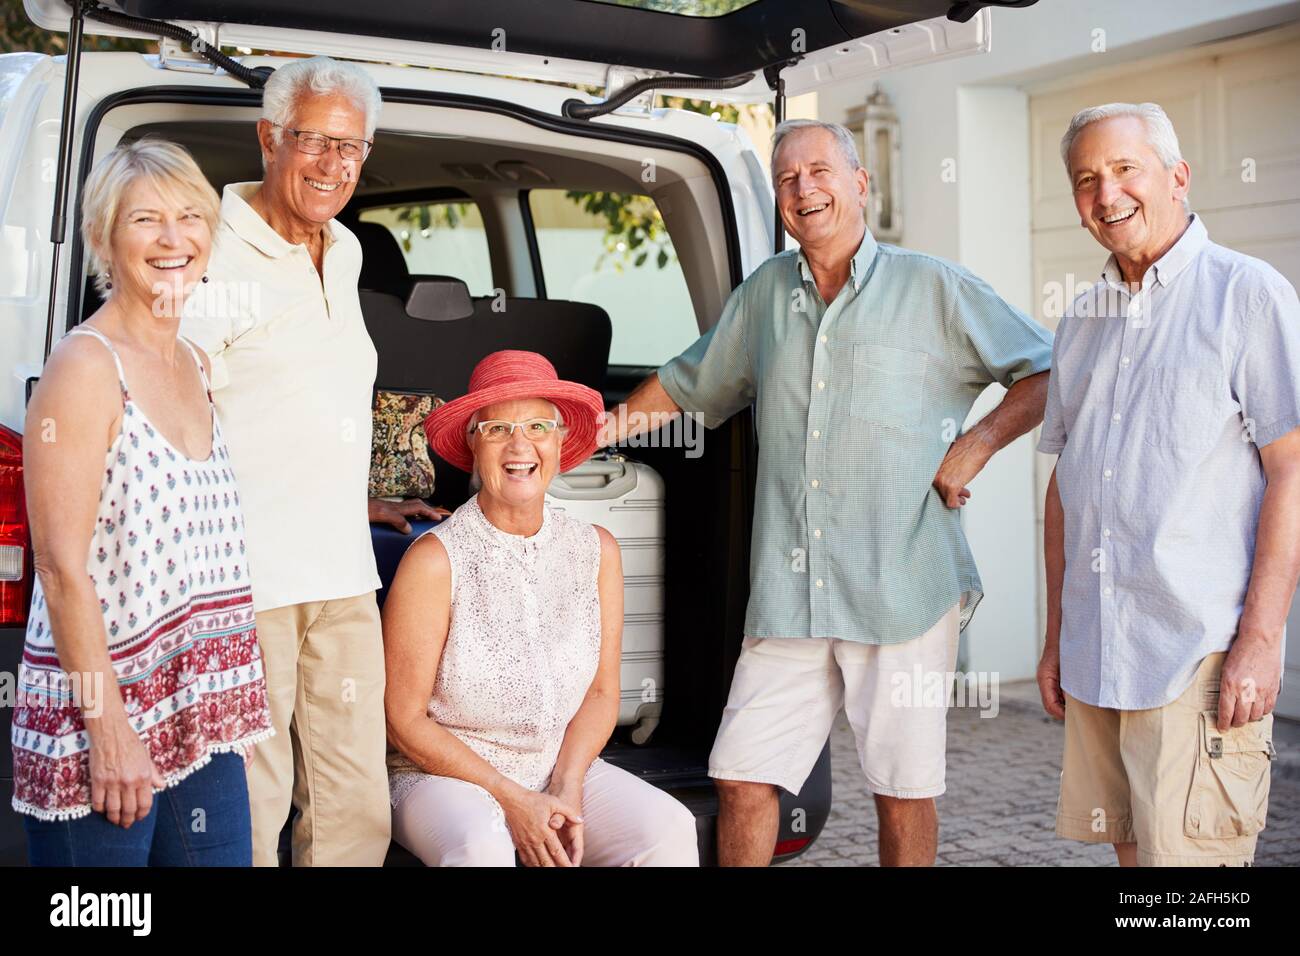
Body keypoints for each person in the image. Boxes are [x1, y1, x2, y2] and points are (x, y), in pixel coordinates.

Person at [601, 119, 1054, 867]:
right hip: (791, 592)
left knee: (903, 790)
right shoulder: (766, 294)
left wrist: (976, 444)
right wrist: (595, 431)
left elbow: (1046, 368)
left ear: (858, 183)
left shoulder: (934, 286)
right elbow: (689, 384)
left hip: (901, 585)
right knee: (742, 776)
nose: (803, 189)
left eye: (819, 171)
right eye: (787, 179)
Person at [180, 56, 440, 866]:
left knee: (353, 801)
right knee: (251, 806)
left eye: (352, 149)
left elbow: (301, 399)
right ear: (268, 138)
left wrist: (351, 500)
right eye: (315, 142)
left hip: (342, 575)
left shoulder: (347, 250)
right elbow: (175, 407)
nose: (334, 166)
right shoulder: (211, 255)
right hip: (248, 581)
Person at [1037, 102, 1300, 866]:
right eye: (1086, 179)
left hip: (1196, 655)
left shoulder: (1246, 295)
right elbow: (1066, 487)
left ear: (1177, 176)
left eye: (1125, 169)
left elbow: (1291, 469)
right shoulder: (1081, 319)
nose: (1106, 193)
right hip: (1098, 654)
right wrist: (1056, 637)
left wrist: (1261, 639)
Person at [12, 139, 273, 865]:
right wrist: (109, 731)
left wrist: (222, 713)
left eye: (191, 217)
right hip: (104, 718)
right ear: (104, 237)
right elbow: (63, 571)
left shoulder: (192, 358)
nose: (172, 239)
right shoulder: (85, 368)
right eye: (145, 220)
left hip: (199, 718)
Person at [384, 350, 699, 867]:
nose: (520, 444)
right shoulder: (436, 559)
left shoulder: (597, 550)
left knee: (668, 829)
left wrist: (568, 786)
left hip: (555, 767)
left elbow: (602, 692)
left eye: (538, 425)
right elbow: (402, 719)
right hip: (441, 777)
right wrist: (512, 799)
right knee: (480, 847)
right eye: (498, 428)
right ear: (472, 442)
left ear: (559, 441)